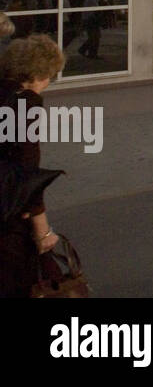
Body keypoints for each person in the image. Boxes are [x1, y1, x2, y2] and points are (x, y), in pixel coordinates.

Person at [0, 34, 65, 298]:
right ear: (40, 72)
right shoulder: (27, 102)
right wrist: (43, 230)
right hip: (8, 214)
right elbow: (27, 171)